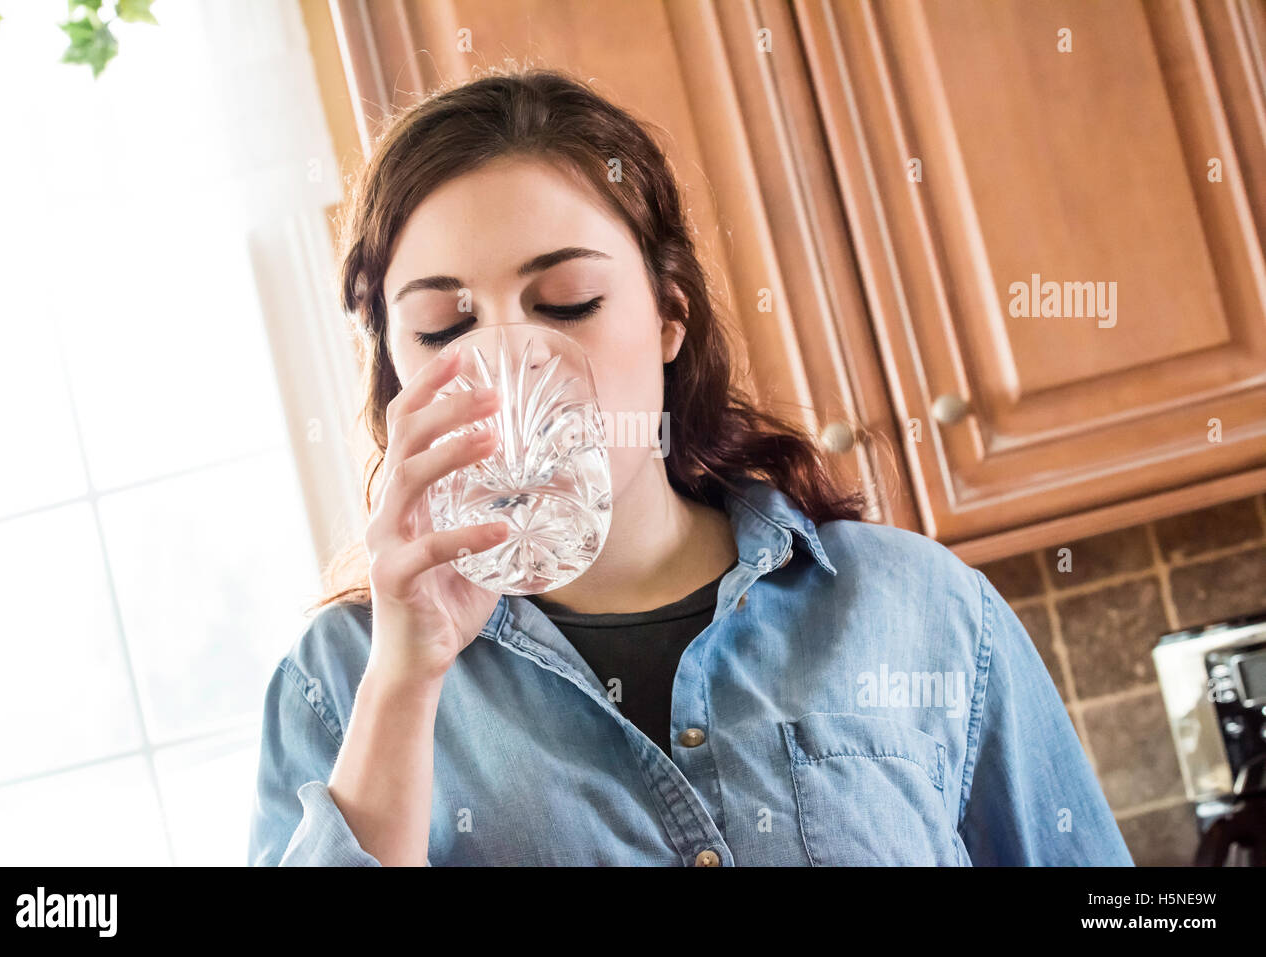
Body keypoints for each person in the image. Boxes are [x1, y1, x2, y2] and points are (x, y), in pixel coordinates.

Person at [247, 67, 1133, 867]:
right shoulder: (339, 685)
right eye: (444, 326)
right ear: (398, 366)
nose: (509, 372)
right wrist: (405, 676)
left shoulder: (919, 609)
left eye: (567, 303)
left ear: (670, 315)